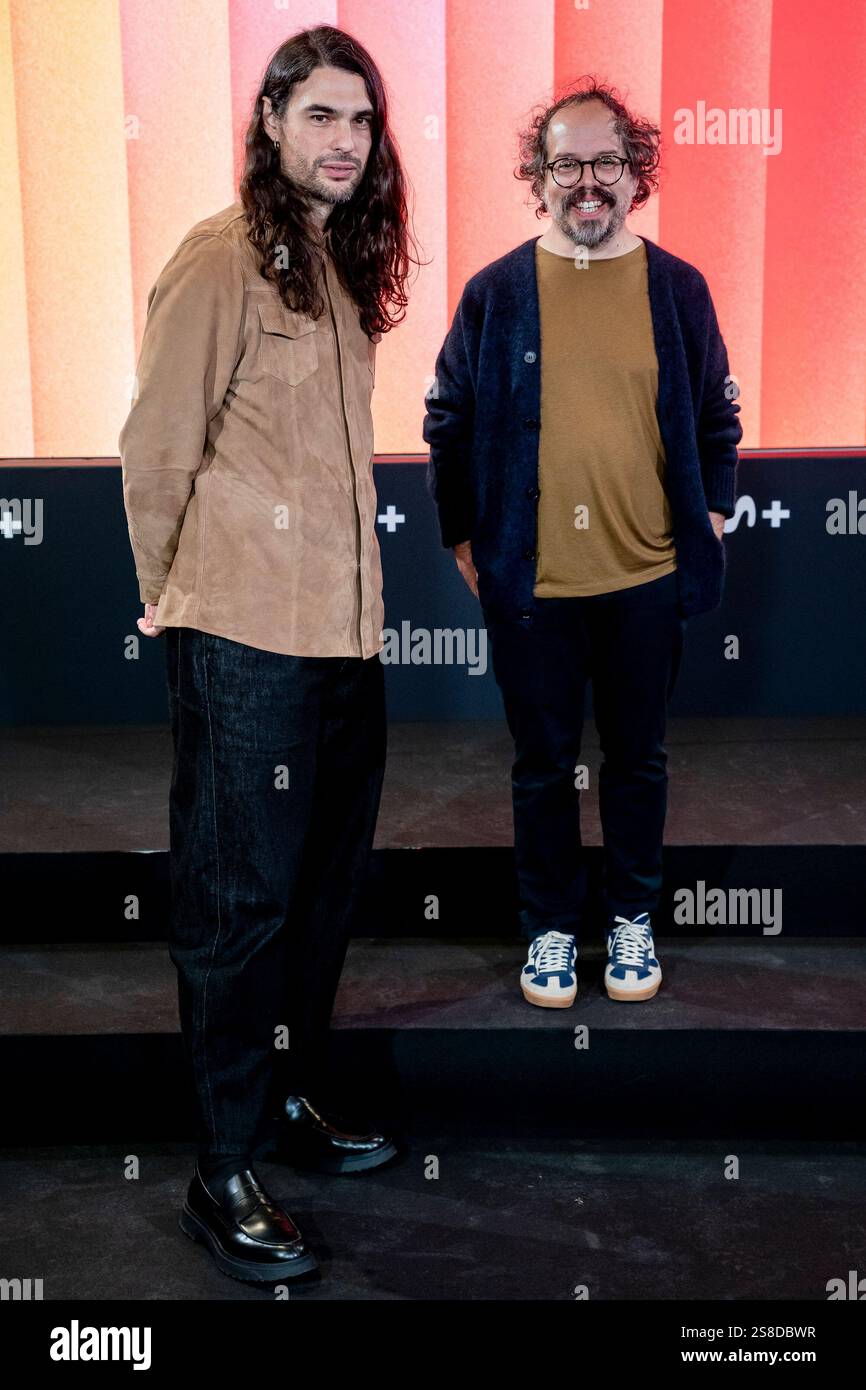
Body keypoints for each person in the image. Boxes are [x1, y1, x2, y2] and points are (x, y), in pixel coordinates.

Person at [119, 25, 420, 1285]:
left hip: (342, 644)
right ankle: (222, 1166)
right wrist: (173, 604)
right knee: (238, 909)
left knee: (319, 895)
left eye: (360, 120)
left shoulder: (339, 267)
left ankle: (289, 1106)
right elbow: (156, 449)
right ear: (268, 123)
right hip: (243, 638)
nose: (343, 141)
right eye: (319, 117)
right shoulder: (218, 257)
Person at [424, 79, 742, 1011]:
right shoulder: (496, 293)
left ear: (635, 171)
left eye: (607, 161)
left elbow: (720, 419)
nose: (588, 181)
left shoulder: (679, 288)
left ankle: (633, 917)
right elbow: (448, 417)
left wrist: (711, 516)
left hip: (647, 577)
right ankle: (554, 931)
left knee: (639, 759)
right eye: (568, 163)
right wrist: (462, 533)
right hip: (537, 585)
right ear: (540, 175)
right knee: (542, 764)